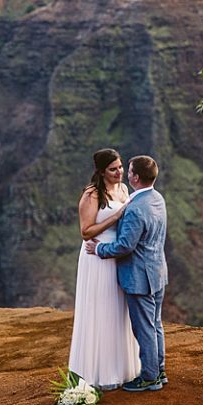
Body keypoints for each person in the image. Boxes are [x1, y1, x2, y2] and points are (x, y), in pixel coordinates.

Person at [87, 155, 169, 392]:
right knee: (155, 324)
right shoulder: (157, 199)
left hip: (139, 277)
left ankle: (150, 377)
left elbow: (125, 246)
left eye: (128, 170)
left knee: (144, 328)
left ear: (135, 177)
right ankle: (159, 370)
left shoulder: (134, 209)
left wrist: (99, 248)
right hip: (157, 272)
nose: (124, 173)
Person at [66, 149, 139, 390]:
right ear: (100, 171)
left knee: (118, 310)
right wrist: (116, 217)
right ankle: (96, 372)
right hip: (95, 255)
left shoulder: (123, 189)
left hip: (116, 254)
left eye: (120, 167)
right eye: (113, 169)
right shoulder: (92, 194)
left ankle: (119, 368)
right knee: (99, 309)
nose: (119, 172)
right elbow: (85, 231)